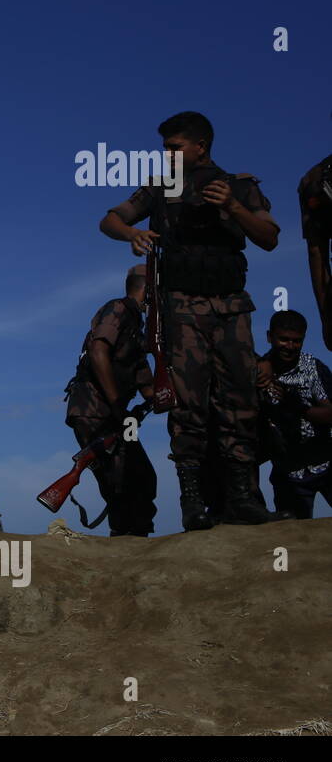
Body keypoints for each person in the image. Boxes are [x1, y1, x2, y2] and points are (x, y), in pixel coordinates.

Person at [100, 110, 279, 527]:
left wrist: (233, 206)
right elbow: (110, 219)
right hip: (181, 307)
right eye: (165, 148)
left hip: (231, 308)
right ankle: (192, 502)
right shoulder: (161, 188)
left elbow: (269, 237)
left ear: (201, 146)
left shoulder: (239, 186)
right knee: (187, 404)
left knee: (240, 401)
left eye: (174, 147)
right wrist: (133, 234)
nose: (167, 155)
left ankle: (242, 498)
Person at [62, 265, 159, 535]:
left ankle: (136, 534)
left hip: (115, 417)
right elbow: (98, 349)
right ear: (148, 289)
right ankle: (125, 536)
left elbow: (147, 385)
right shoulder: (118, 309)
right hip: (94, 411)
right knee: (119, 480)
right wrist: (118, 404)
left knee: (141, 476)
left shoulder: (138, 327)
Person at [256, 310, 332, 519]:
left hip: (326, 461)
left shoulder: (313, 368)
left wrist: (297, 407)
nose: (290, 346)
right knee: (293, 539)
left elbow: (329, 413)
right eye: (284, 339)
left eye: (297, 341)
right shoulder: (259, 372)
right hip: (287, 472)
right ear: (270, 337)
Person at [297, 151, 332, 350]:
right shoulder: (319, 179)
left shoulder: (317, 177)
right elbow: (317, 252)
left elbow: (317, 252)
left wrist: (326, 317)